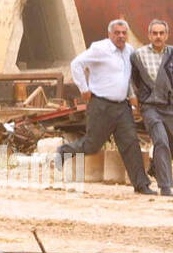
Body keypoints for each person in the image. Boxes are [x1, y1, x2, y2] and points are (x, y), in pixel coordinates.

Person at [57, 19, 154, 195]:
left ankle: (141, 185)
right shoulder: (100, 49)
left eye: (124, 33)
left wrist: (133, 97)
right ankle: (64, 150)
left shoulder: (129, 51)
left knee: (131, 143)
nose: (121, 36)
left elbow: (128, 78)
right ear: (110, 34)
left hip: (122, 107)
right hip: (101, 105)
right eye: (117, 33)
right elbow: (76, 64)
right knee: (92, 145)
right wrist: (84, 89)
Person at [131, 19, 173, 198]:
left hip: (172, 106)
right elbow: (130, 79)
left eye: (161, 33)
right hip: (150, 106)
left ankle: (156, 167)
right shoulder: (138, 55)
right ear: (149, 35)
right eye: (154, 33)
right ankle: (165, 186)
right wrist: (133, 98)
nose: (158, 37)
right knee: (161, 140)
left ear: (166, 35)